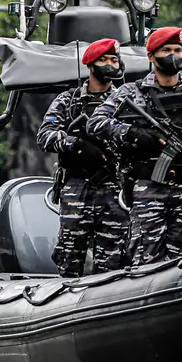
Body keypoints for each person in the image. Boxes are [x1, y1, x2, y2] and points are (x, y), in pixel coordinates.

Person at [87, 26, 182, 267]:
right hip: (149, 187)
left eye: (177, 50)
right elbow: (96, 123)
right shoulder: (132, 93)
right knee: (145, 259)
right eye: (166, 50)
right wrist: (133, 133)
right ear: (151, 56)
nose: (173, 55)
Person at [36, 37, 128, 277]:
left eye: (114, 60)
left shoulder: (125, 101)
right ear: (90, 64)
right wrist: (75, 144)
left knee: (112, 261)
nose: (110, 65)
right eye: (104, 60)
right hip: (77, 187)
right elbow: (44, 136)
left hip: (113, 187)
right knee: (69, 257)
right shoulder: (69, 101)